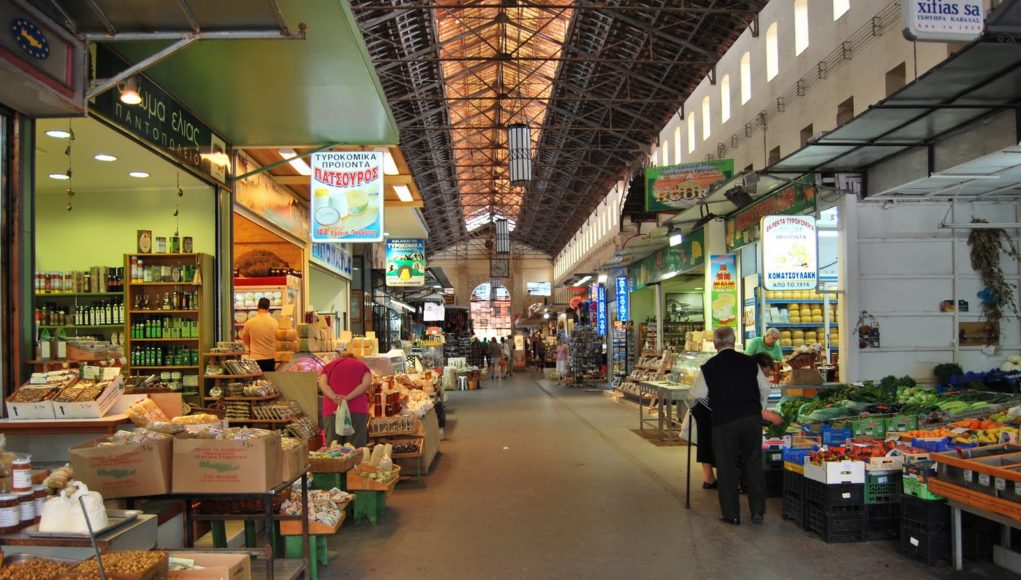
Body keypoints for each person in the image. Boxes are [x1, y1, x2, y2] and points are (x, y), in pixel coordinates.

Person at [689, 327, 782, 525]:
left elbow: (696, 394)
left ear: (715, 344)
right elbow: (765, 387)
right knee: (754, 463)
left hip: (724, 422)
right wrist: (759, 407)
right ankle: (758, 512)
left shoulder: (709, 366)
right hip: (751, 419)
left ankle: (731, 514)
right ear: (733, 341)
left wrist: (694, 404)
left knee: (726, 466)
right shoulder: (750, 362)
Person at [318, 353, 372, 447]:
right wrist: (347, 398)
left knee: (334, 446)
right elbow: (365, 385)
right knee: (355, 446)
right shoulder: (363, 366)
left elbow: (323, 385)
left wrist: (334, 397)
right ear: (354, 358)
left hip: (333, 409)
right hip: (356, 409)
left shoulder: (329, 366)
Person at [240, 298, 279, 372]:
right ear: (268, 308)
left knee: (257, 378)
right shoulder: (275, 322)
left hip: (255, 358)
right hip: (270, 357)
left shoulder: (250, 322)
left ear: (257, 307)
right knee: (269, 378)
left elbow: (246, 340)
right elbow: (277, 339)